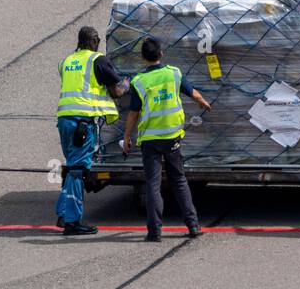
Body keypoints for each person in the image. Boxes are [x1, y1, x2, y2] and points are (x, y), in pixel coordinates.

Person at [120, 38, 210, 242]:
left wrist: (126, 137)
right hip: (172, 137)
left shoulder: (139, 81)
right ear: (161, 54)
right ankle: (193, 226)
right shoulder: (174, 73)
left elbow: (133, 113)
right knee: (178, 180)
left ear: (143, 58)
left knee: (153, 183)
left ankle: (154, 232)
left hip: (150, 139)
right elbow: (192, 92)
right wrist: (203, 102)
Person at [56, 26, 128, 236]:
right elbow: (116, 91)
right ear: (94, 41)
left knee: (71, 167)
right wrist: (128, 84)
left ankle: (62, 214)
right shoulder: (98, 60)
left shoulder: (66, 61)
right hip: (82, 123)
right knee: (78, 171)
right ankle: (72, 221)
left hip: (64, 120)